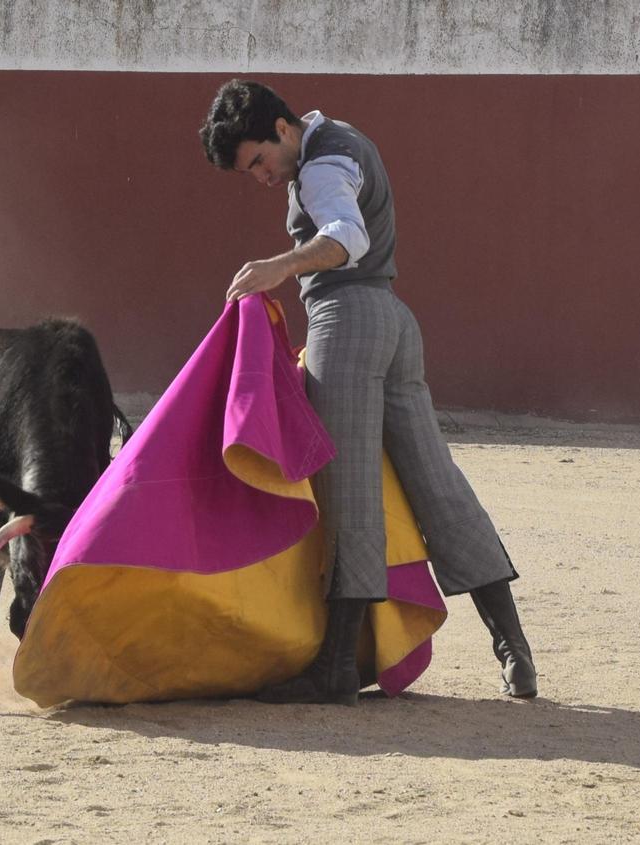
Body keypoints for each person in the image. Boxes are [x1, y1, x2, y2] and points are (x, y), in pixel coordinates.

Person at [198, 79, 537, 705]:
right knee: (439, 484)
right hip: (392, 319)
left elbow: (346, 237)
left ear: (279, 130)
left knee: (347, 490)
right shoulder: (342, 138)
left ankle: (332, 670)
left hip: (347, 320)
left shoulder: (322, 163)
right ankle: (513, 649)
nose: (263, 178)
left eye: (259, 162)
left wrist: (279, 266)